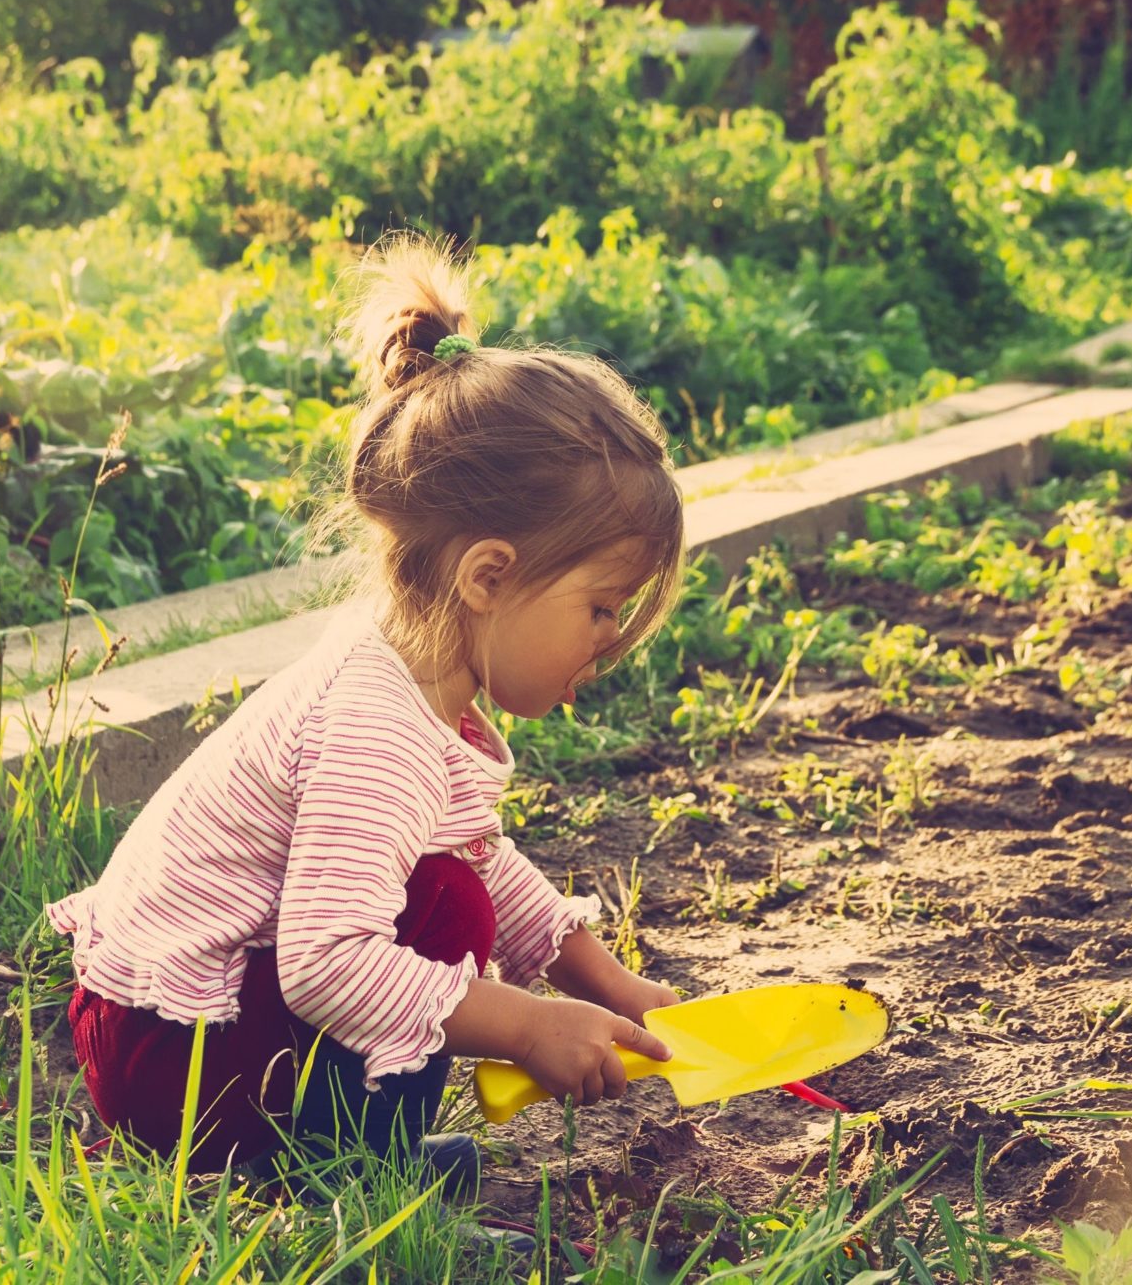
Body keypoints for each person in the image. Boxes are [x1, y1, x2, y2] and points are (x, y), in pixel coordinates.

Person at [48, 232, 685, 1182]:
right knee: (443, 910)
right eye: (601, 607)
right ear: (490, 575)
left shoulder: (415, 679)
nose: (611, 640)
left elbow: (476, 847)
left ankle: (329, 1148)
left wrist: (607, 987)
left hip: (177, 1036)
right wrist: (523, 1025)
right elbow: (324, 962)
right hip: (173, 1058)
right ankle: (338, 1177)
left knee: (449, 886)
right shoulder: (375, 723)